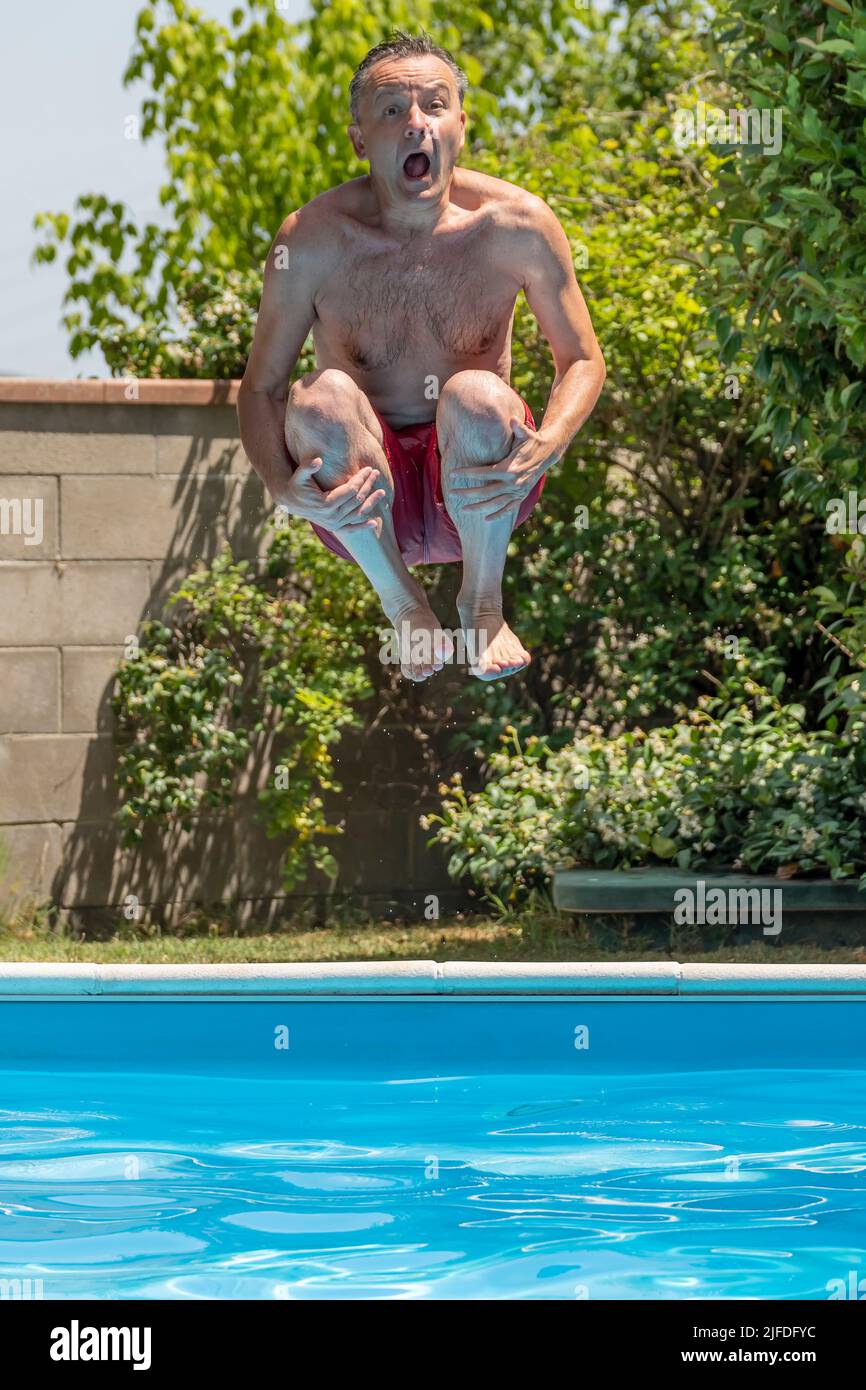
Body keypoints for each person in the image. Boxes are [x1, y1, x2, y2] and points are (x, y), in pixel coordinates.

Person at [238, 31, 605, 682]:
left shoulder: (518, 225)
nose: (416, 124)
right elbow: (261, 388)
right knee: (316, 396)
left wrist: (548, 444)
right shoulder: (313, 241)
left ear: (461, 124)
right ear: (359, 139)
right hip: (362, 500)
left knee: (477, 395)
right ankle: (404, 604)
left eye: (434, 105)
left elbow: (580, 359)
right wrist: (279, 486)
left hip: (480, 488)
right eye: (392, 111)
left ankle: (483, 603)